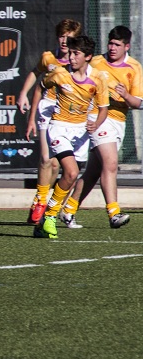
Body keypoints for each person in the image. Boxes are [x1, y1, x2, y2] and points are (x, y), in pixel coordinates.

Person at [60, 26, 140, 229]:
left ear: (127, 46)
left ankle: (68, 210)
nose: (112, 48)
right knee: (111, 164)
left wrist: (126, 96)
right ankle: (114, 213)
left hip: (119, 121)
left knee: (94, 172)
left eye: (117, 44)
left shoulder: (134, 67)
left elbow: (138, 102)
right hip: (97, 118)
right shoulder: (95, 61)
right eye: (110, 43)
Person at [33, 35, 108, 239]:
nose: (72, 58)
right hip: (59, 127)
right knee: (72, 172)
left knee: (69, 177)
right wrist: (35, 115)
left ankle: (45, 219)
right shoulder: (59, 74)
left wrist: (97, 123)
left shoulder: (98, 79)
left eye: (76, 54)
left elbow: (103, 109)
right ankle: (49, 217)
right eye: (71, 53)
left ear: (88, 57)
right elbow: (41, 86)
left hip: (81, 132)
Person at [18, 19, 80, 224]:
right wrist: (23, 95)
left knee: (59, 166)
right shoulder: (49, 57)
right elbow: (35, 75)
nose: (64, 41)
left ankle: (51, 205)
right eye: (61, 36)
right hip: (48, 109)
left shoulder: (80, 61)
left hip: (70, 116)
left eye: (68, 37)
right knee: (47, 159)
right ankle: (40, 202)